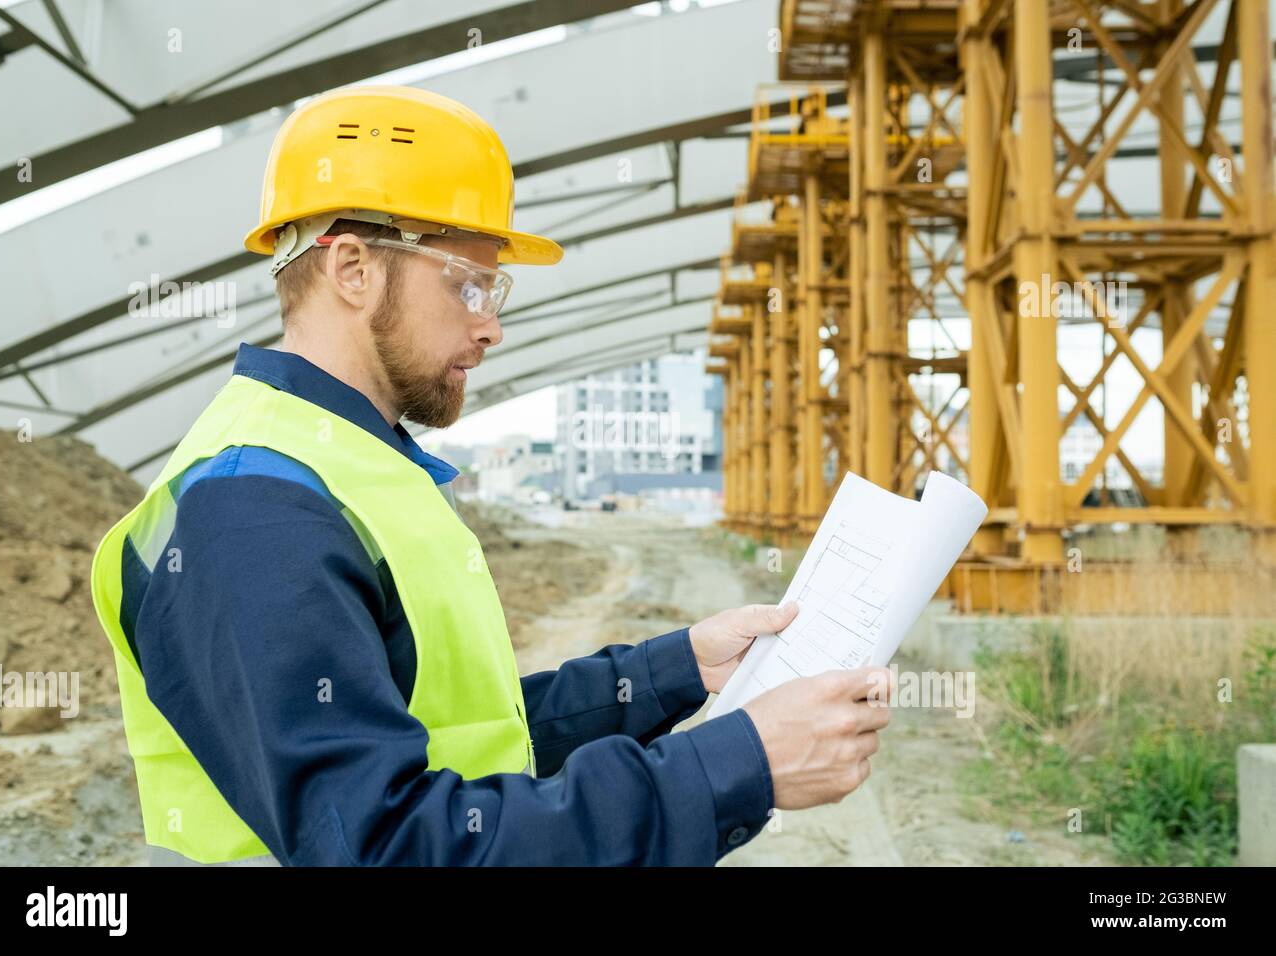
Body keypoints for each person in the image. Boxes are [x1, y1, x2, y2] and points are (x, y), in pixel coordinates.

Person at [90, 85, 891, 866]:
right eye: (467, 284)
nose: (492, 326)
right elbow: (391, 844)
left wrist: (677, 669)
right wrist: (735, 766)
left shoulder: (351, 465)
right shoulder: (254, 507)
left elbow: (470, 745)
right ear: (354, 269)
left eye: (494, 288)